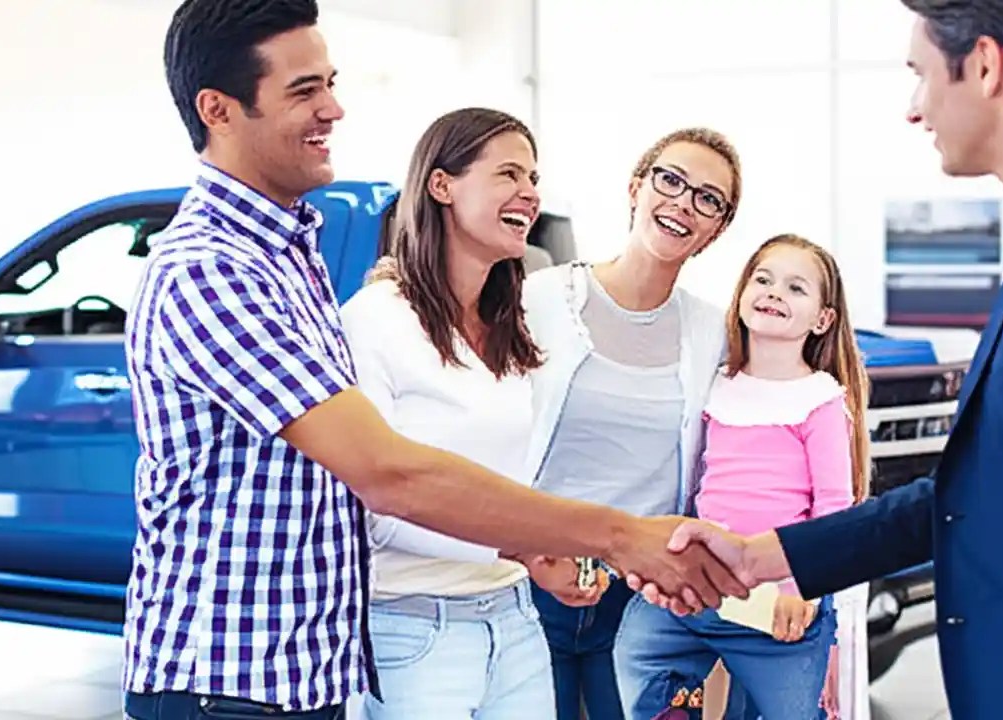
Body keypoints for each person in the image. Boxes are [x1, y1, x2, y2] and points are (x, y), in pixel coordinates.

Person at [121, 2, 747, 718]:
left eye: (330, 84)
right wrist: (621, 535)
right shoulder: (210, 269)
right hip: (229, 680)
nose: (334, 109)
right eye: (303, 91)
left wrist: (526, 551)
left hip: (307, 671)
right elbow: (385, 474)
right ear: (218, 110)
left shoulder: (292, 255)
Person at [636, 1, 1003, 718]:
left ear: (984, 66)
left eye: (921, 74)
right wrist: (762, 556)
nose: (914, 108)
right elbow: (981, 491)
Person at [339, 107, 608, 719]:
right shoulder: (376, 320)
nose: (530, 193)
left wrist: (546, 550)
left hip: (515, 620)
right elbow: (370, 507)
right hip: (413, 628)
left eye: (534, 178)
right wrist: (521, 547)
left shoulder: (511, 326)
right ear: (441, 185)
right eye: (508, 174)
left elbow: (515, 478)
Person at [520, 128, 742, 720]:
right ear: (635, 188)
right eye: (670, 181)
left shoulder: (715, 333)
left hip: (644, 597)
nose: (683, 203)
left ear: (717, 228)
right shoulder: (539, 299)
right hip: (534, 580)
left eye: (708, 199)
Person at [614, 234, 870, 720]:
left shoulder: (820, 400)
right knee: (637, 645)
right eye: (763, 279)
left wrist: (803, 591)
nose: (774, 292)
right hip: (705, 582)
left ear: (822, 320)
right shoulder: (716, 385)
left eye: (795, 287)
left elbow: (833, 510)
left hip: (782, 595)